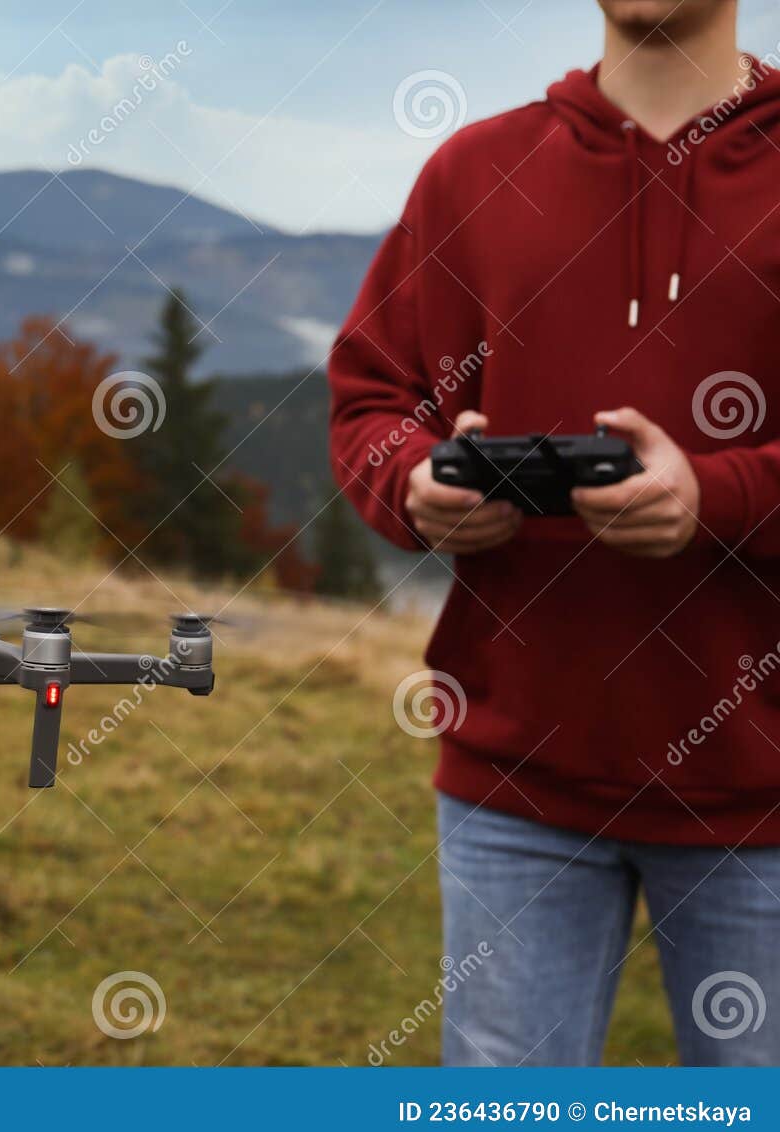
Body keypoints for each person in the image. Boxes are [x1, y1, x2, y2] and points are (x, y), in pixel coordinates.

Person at [329, 0, 780, 1065]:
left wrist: (715, 496)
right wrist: (416, 480)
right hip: (515, 782)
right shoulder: (474, 171)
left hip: (764, 791)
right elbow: (372, 403)